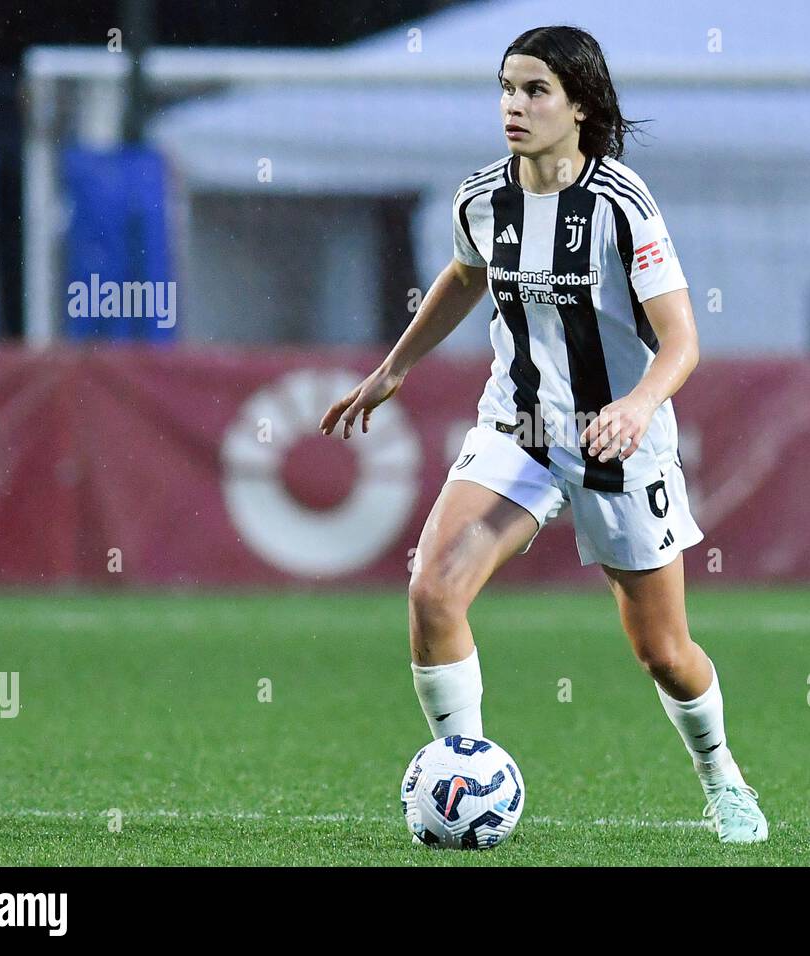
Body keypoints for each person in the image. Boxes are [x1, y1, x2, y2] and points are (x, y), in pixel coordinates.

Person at [321, 25, 767, 843]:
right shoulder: (481, 197)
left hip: (617, 444)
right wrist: (395, 368)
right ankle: (465, 778)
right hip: (517, 429)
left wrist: (637, 406)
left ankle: (722, 778)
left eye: (535, 91)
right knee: (433, 591)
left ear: (581, 106)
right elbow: (465, 274)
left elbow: (682, 341)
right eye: (506, 88)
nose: (514, 107)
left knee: (663, 651)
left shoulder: (622, 205)